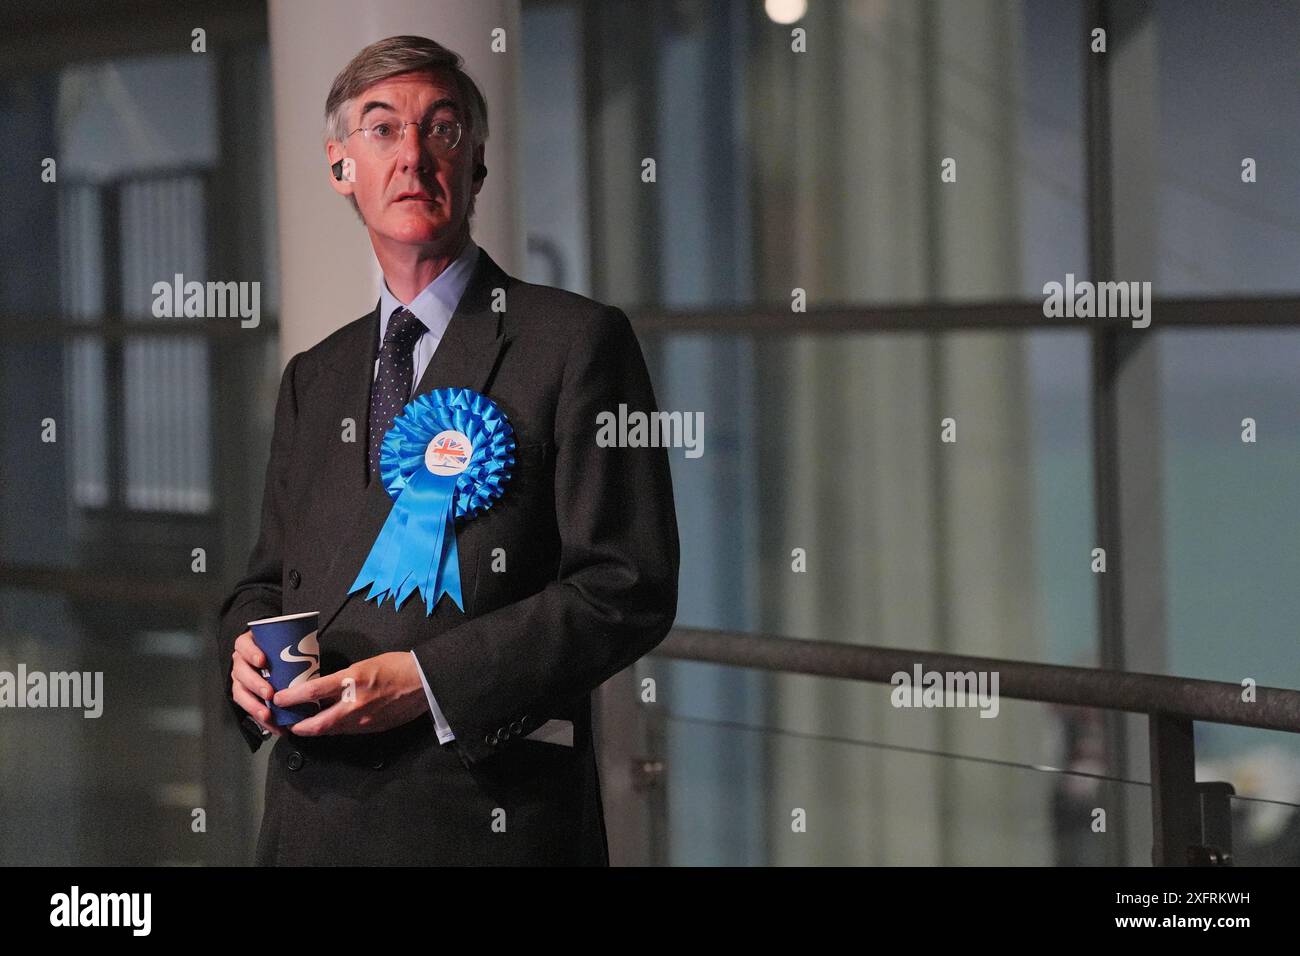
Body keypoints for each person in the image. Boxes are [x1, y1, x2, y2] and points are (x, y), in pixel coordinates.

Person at [217, 34, 679, 865]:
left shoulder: (574, 342)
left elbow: (626, 585)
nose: (414, 155)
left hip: (482, 818)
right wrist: (245, 653)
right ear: (340, 168)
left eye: (444, 130)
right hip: (310, 818)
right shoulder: (312, 378)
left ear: (478, 169)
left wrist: (428, 683)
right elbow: (265, 578)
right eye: (383, 129)